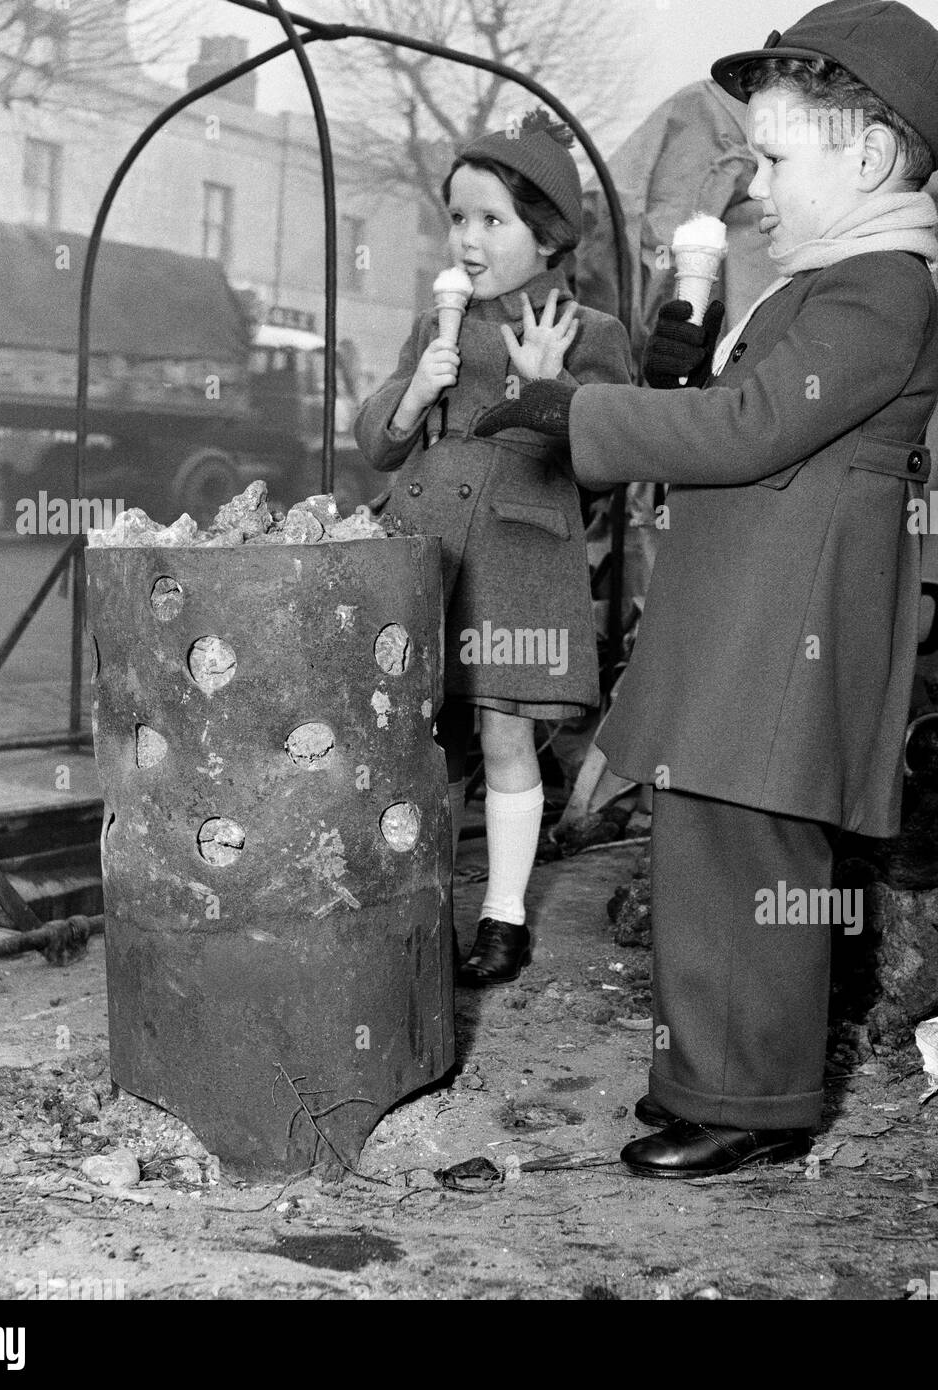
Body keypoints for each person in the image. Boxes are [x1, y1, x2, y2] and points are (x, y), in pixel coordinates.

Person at [475, 0, 938, 1175]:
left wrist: (571, 410)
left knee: (751, 859)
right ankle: (705, 1078)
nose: (754, 186)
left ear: (867, 155)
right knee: (701, 840)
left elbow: (744, 428)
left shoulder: (878, 291)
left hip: (787, 632)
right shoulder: (816, 285)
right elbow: (724, 411)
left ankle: (757, 1101)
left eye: (776, 159)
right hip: (747, 620)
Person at [354, 109, 633, 987]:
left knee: (507, 734)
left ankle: (504, 920)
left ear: (546, 235)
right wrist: (411, 399)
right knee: (419, 737)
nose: (468, 240)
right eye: (458, 218)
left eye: (492, 220)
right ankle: (415, 900)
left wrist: (552, 394)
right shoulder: (439, 320)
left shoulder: (594, 334)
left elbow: (612, 465)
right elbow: (377, 441)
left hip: (517, 557)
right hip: (423, 548)